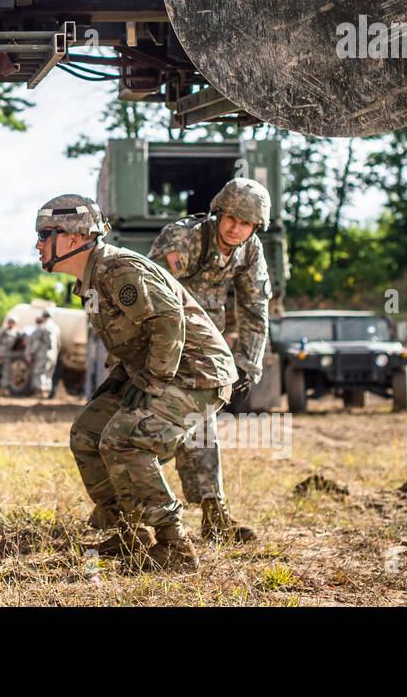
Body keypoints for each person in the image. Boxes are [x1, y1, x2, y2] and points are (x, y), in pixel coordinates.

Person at [36, 194, 237, 571]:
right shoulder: (91, 278)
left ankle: (174, 544)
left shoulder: (117, 269)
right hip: (155, 370)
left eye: (45, 234)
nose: (38, 244)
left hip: (196, 373)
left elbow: (168, 322)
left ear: (75, 239)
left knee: (124, 438)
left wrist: (151, 383)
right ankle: (130, 532)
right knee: (87, 434)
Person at [147, 177, 272, 543]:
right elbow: (149, 298)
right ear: (218, 212)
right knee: (145, 430)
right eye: (231, 219)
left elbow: (254, 309)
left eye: (246, 224)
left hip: (204, 348)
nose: (236, 229)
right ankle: (122, 512)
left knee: (200, 424)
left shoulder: (250, 250)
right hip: (162, 343)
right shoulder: (184, 238)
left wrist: (248, 363)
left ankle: (214, 513)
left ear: (255, 227)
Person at [26, 310, 60, 399]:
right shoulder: (56, 327)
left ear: (43, 317)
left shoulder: (42, 327)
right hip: (53, 354)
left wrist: (30, 353)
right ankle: (47, 392)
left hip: (43, 354)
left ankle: (40, 393)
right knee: (48, 373)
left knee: (39, 372)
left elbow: (36, 344)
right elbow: (58, 343)